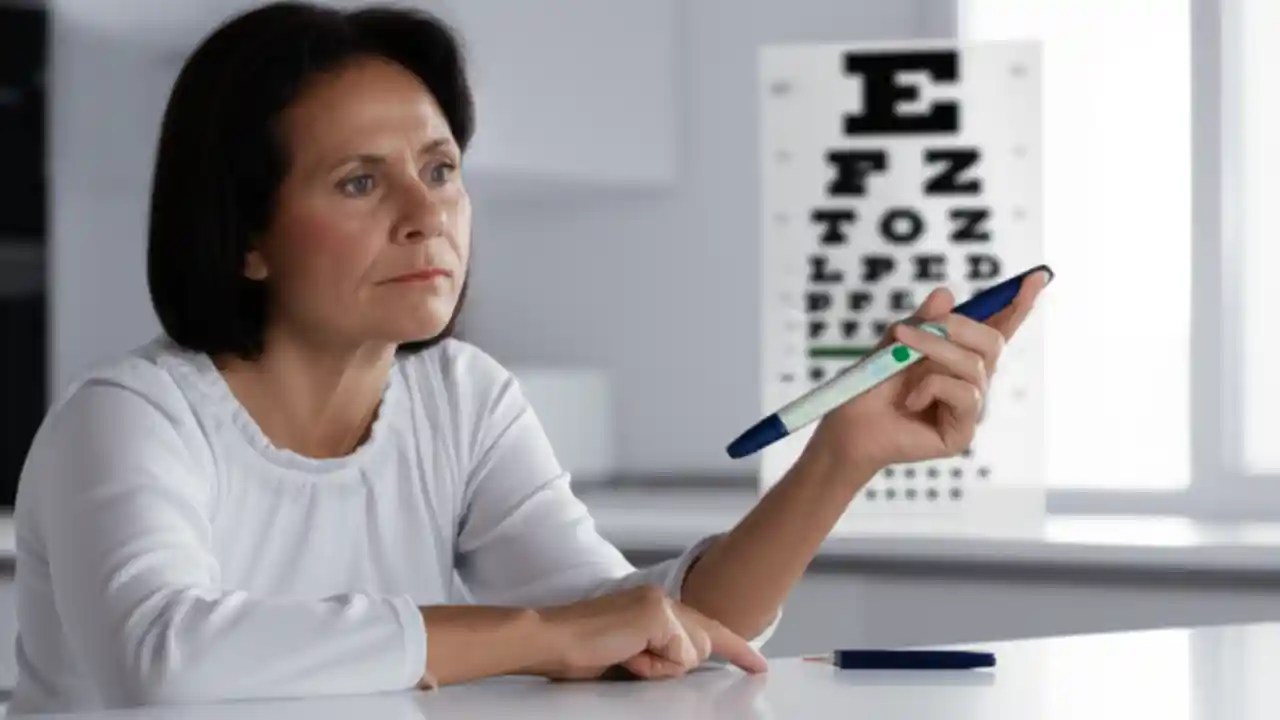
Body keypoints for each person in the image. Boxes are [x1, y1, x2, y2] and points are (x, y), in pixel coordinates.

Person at [9, 1, 1048, 714]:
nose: (428, 218)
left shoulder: (460, 399)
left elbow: (643, 637)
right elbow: (169, 665)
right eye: (360, 183)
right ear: (246, 233)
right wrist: (539, 635)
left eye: (440, 168)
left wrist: (839, 458)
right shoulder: (132, 417)